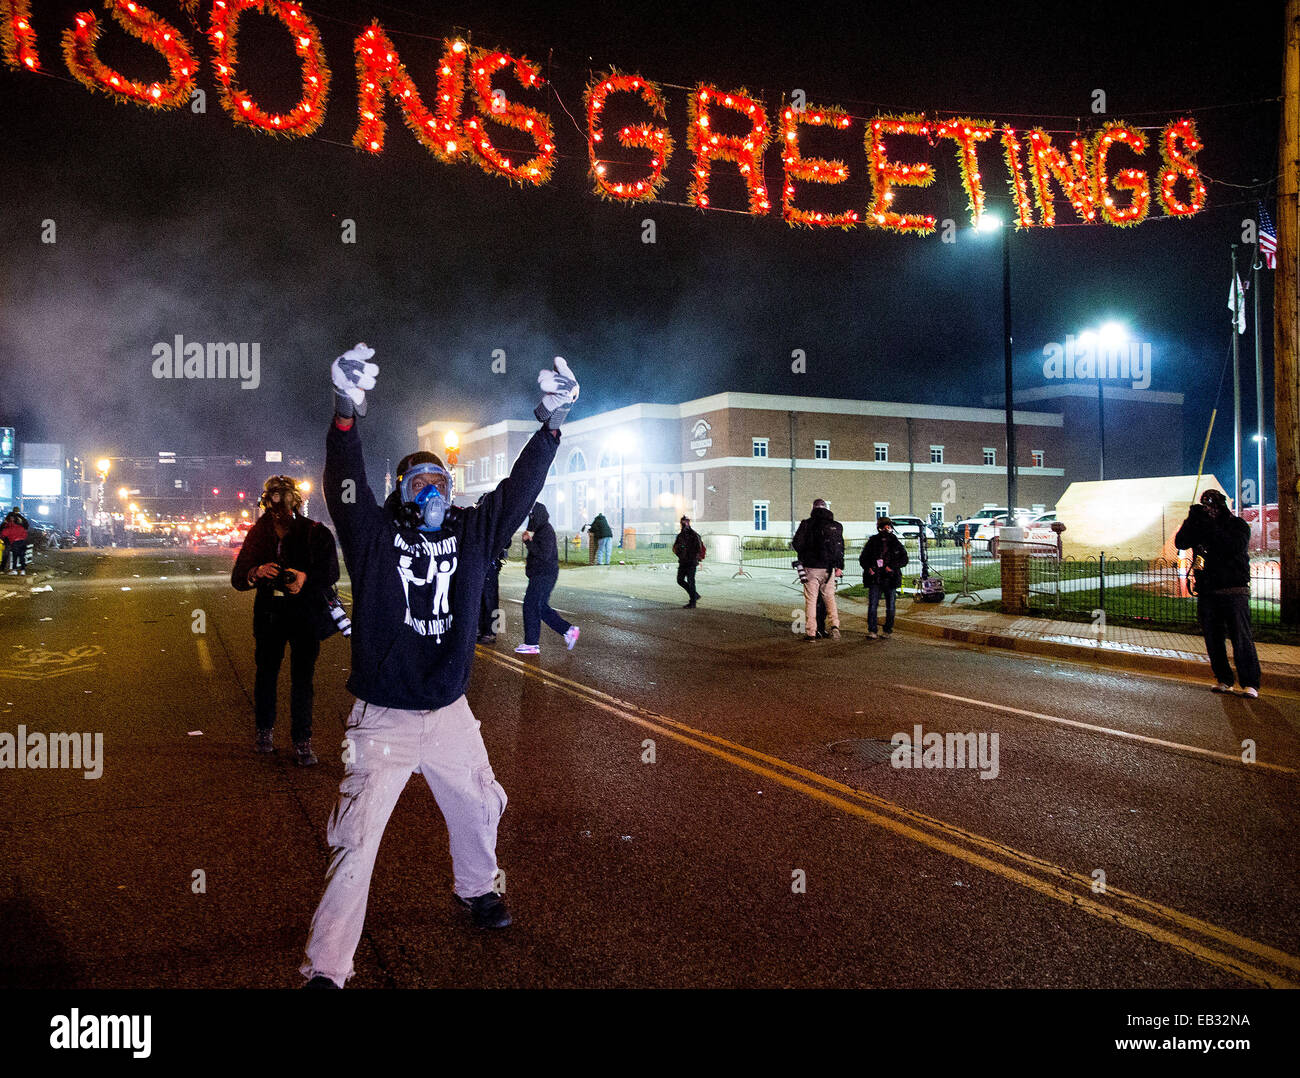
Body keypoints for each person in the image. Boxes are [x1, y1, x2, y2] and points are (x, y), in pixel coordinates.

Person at [301, 343, 579, 989]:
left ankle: (477, 890)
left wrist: (553, 424)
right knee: (354, 847)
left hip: (450, 713)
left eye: (440, 480)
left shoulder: (474, 533)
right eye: (418, 481)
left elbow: (518, 489)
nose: (432, 489)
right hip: (383, 722)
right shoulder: (373, 536)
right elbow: (343, 486)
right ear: (401, 492)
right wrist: (346, 412)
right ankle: (326, 970)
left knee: (480, 809)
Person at [232, 476, 339, 764]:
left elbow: (331, 573)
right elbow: (238, 578)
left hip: (305, 615)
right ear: (266, 501)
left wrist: (305, 577)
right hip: (269, 615)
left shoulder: (315, 532)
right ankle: (264, 732)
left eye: (284, 498)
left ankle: (302, 741)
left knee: (302, 679)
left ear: (295, 500)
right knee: (266, 675)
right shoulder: (258, 533)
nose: (279, 506)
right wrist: (256, 571)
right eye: (274, 498)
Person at [1175, 488, 1261, 697]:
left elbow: (1232, 546)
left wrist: (1207, 525)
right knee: (1213, 639)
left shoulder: (1236, 525)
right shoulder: (1200, 526)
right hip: (1208, 591)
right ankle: (1224, 679)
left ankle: (1250, 682)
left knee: (1241, 637)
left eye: (1213, 505)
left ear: (1222, 506)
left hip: (1234, 591)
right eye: (1206, 506)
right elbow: (1181, 542)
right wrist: (1191, 519)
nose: (1210, 510)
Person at [516, 502, 579, 655]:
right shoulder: (541, 530)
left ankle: (532, 644)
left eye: (532, 517)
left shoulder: (546, 531)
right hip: (542, 574)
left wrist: (528, 543)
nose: (530, 521)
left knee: (530, 606)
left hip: (544, 575)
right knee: (540, 607)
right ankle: (568, 630)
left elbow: (543, 554)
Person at [792, 499, 844, 640]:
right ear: (826, 508)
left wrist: (806, 554)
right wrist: (839, 566)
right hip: (829, 569)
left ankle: (811, 632)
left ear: (813, 508)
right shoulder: (836, 526)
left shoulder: (807, 524)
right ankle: (835, 626)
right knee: (830, 598)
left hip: (811, 567)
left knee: (811, 601)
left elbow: (797, 543)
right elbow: (840, 548)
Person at [859, 516, 909, 639]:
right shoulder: (873, 541)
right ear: (880, 527)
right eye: (885, 526)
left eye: (888, 526)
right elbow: (863, 558)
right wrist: (869, 567)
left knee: (890, 605)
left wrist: (892, 566)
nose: (887, 528)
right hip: (875, 578)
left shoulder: (895, 542)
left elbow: (904, 559)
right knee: (873, 605)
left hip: (890, 578)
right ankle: (872, 630)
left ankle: (887, 630)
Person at [477, 537, 510, 645]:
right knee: (479, 599)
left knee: (490, 600)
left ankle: (491, 632)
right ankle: (481, 629)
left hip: (490, 565)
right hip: (479, 564)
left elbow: (507, 541)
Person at [672, 515, 704, 608]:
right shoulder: (680, 536)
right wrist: (680, 554)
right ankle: (694, 595)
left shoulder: (694, 535)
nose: (685, 524)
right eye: (683, 522)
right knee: (680, 580)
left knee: (690, 581)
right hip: (683, 561)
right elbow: (675, 547)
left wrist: (694, 557)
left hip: (691, 561)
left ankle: (693, 601)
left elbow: (699, 548)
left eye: (686, 522)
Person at [2, 509, 30, 576]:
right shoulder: (21, 525)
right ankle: (22, 570)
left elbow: (4, 533)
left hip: (15, 542)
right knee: (21, 556)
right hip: (22, 541)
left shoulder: (8, 525)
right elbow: (25, 529)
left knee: (15, 556)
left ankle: (14, 570)